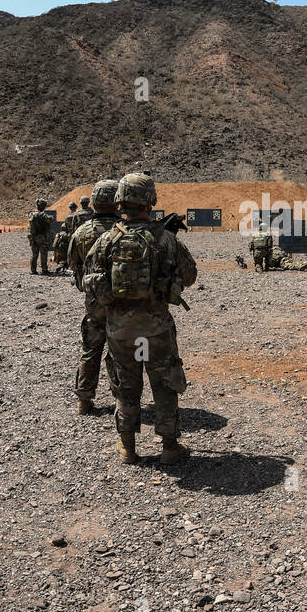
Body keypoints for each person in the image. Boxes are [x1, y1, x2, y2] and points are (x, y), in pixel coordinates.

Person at [83, 173, 197, 465]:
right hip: (155, 330)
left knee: (126, 386)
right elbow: (190, 275)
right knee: (164, 384)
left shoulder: (106, 240)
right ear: (149, 200)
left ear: (120, 200)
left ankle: (128, 448)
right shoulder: (165, 238)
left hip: (121, 332)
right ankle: (170, 448)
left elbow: (90, 282)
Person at [68, 179, 121, 415]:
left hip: (93, 301)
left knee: (90, 350)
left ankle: (84, 400)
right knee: (119, 351)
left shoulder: (80, 232)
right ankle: (122, 399)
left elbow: (74, 266)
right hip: (122, 302)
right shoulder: (125, 230)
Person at [28, 199, 51, 275]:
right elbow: (50, 219)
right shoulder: (42, 214)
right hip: (41, 237)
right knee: (43, 253)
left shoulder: (31, 213)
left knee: (34, 254)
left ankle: (33, 270)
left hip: (33, 237)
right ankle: (44, 270)